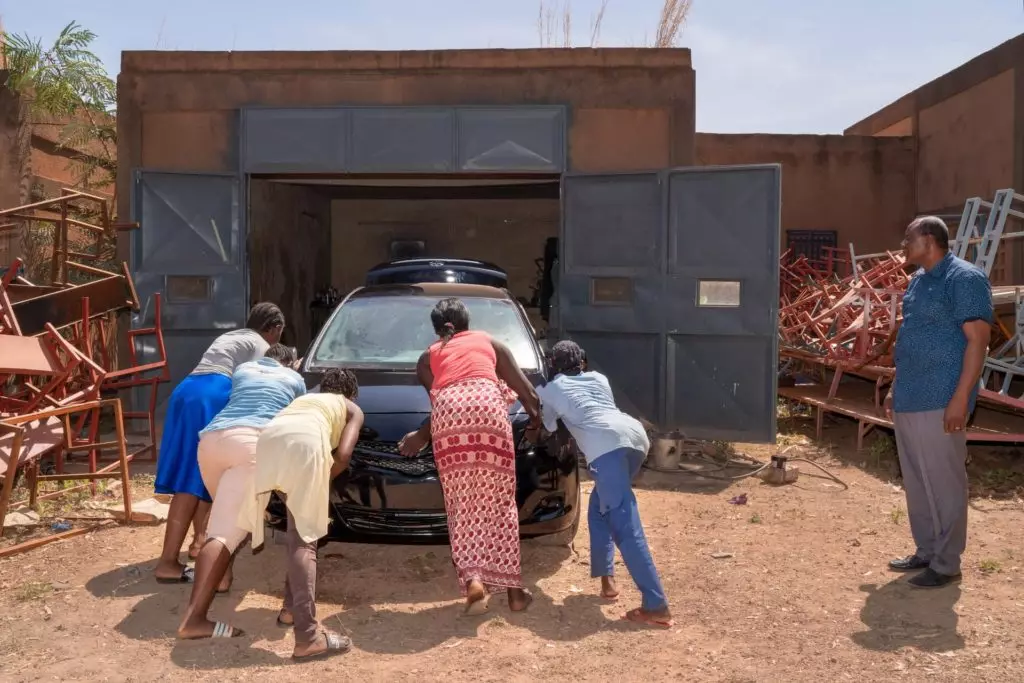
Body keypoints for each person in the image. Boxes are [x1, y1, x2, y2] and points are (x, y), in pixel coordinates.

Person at [398, 297, 541, 615]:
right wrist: (534, 424)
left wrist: (422, 436)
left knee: (461, 503)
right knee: (500, 502)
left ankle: (474, 578)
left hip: (450, 422)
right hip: (490, 412)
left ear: (438, 330)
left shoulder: (427, 357)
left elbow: (442, 400)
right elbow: (529, 395)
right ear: (468, 322)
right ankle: (515, 594)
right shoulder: (490, 342)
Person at [883, 216, 992, 589]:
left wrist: (961, 398)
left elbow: (978, 341)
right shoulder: (917, 282)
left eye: (908, 238)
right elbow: (910, 337)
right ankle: (927, 550)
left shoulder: (964, 278)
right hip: (911, 395)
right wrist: (896, 387)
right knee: (916, 479)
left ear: (928, 240)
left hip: (942, 396)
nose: (903, 244)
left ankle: (947, 563)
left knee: (944, 481)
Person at [533, 340, 672, 628]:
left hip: (606, 449)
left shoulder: (551, 390)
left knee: (626, 527)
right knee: (599, 510)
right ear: (582, 362)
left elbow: (547, 426)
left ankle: (656, 605)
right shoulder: (599, 378)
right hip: (634, 439)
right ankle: (607, 581)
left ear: (552, 365)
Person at [177, 344, 306, 639]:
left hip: (212, 441)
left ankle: (221, 579)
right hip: (251, 443)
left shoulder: (243, 369)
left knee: (224, 521)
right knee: (225, 533)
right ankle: (194, 620)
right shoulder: (294, 378)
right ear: (288, 362)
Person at [153, 303, 285, 585]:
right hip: (212, 395)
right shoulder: (261, 345)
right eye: (279, 333)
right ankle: (167, 562)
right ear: (274, 329)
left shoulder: (233, 337)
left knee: (197, 475)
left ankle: (199, 543)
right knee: (192, 483)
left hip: (186, 392)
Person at [237, 368, 364, 660]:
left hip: (269, 442)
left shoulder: (305, 400)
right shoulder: (351, 407)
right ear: (352, 394)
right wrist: (322, 478)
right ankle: (308, 637)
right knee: (305, 540)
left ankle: (290, 610)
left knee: (298, 533)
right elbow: (344, 455)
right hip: (304, 446)